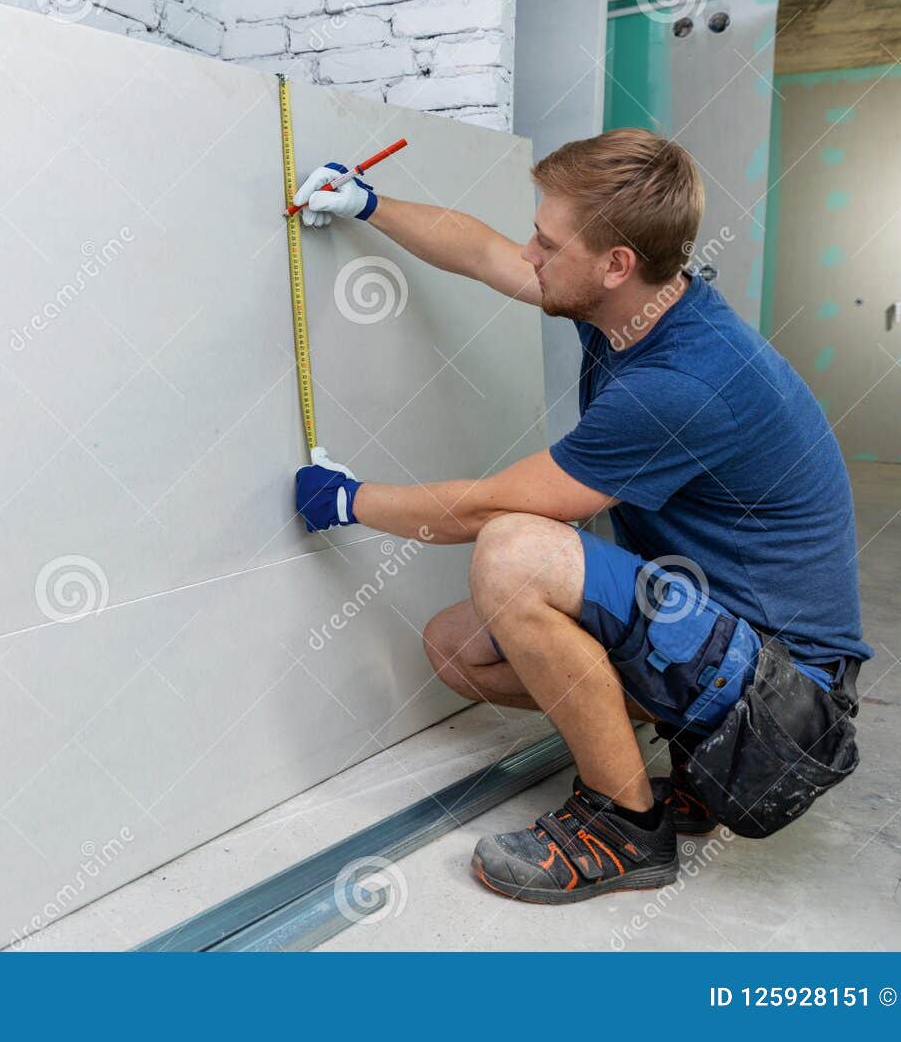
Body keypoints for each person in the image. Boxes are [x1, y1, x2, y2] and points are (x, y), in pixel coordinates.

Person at [291, 128, 870, 903]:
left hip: (788, 705)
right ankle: (693, 754)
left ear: (614, 264)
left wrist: (348, 500)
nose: (530, 251)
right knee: (459, 648)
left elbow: (492, 506)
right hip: (733, 645)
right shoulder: (633, 306)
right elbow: (486, 255)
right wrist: (371, 204)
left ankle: (625, 826)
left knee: (514, 549)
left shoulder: (684, 380)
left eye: (548, 240)